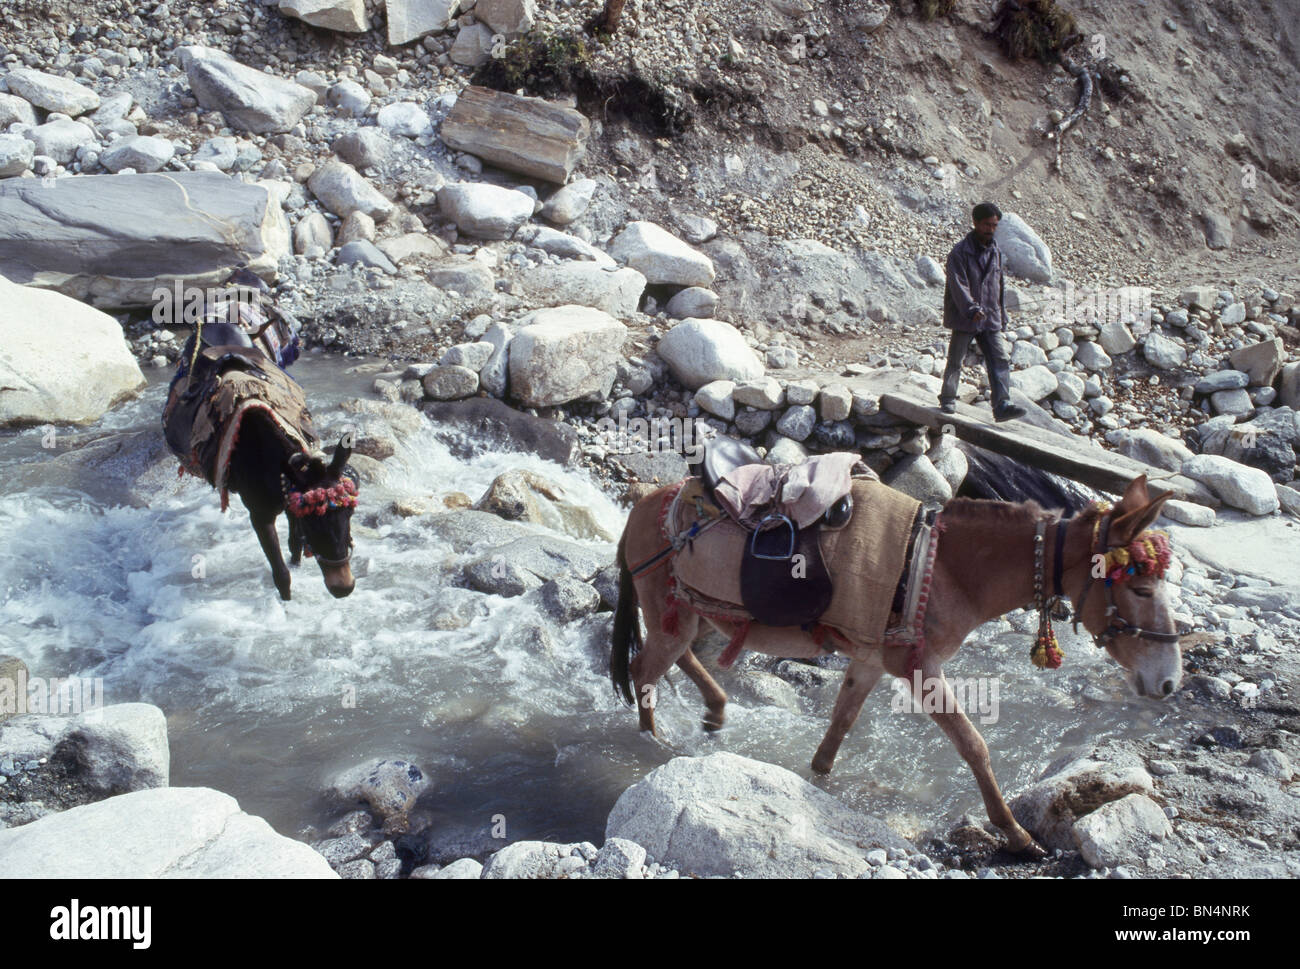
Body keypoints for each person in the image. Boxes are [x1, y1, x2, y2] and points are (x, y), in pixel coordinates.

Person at [939, 201, 1026, 422]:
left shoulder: (995, 250)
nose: (991, 229)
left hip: (990, 316)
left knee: (999, 359)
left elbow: (999, 284)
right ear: (975, 223)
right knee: (956, 360)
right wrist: (970, 308)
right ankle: (948, 397)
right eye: (987, 224)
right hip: (965, 316)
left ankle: (1002, 405)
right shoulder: (959, 252)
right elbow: (958, 284)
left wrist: (1001, 313)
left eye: (995, 225)